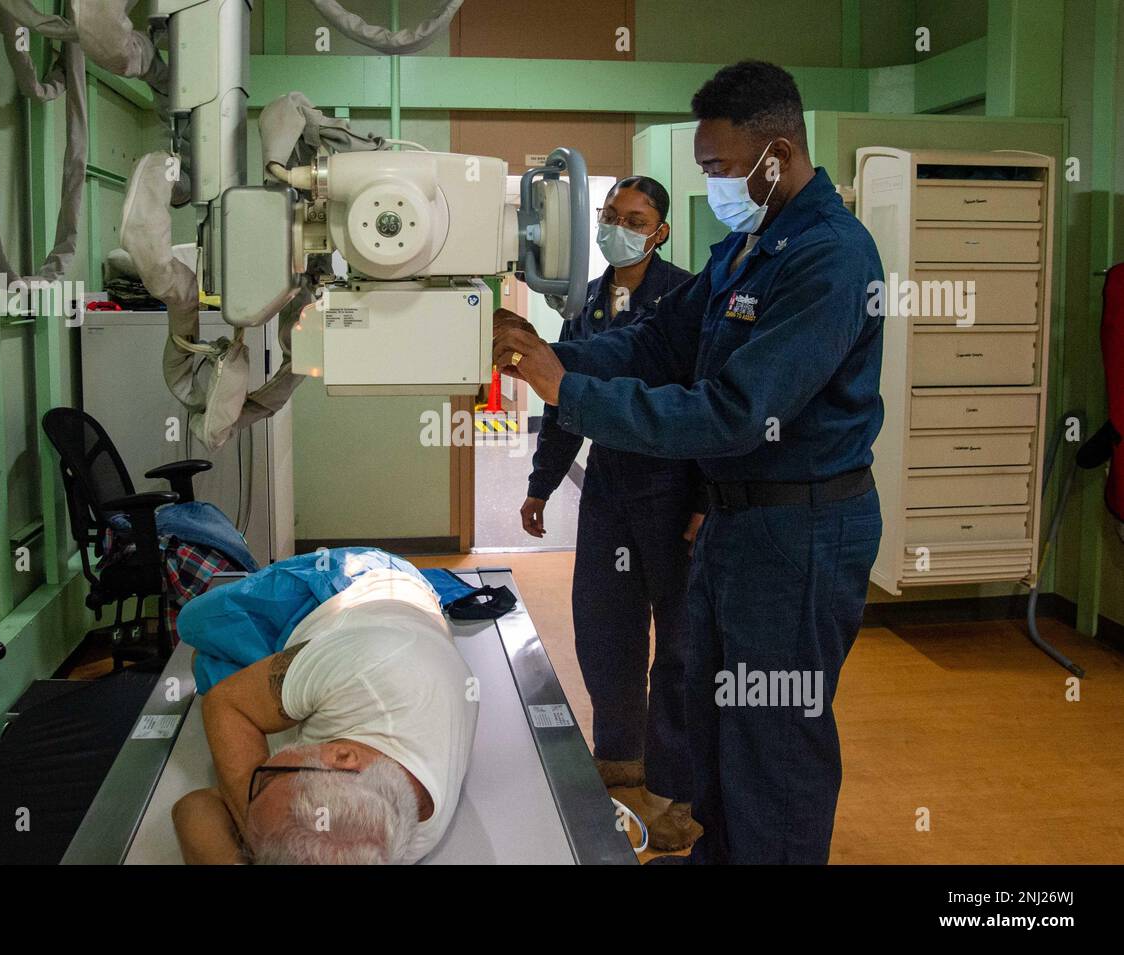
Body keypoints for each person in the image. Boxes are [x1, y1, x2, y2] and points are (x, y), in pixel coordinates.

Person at [492, 60, 885, 864]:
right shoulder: (748, 249)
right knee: (708, 729)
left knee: (772, 744)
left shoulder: (830, 259)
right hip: (738, 529)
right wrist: (548, 352)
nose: (712, 185)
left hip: (801, 530)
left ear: (775, 155)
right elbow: (657, 341)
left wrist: (568, 390)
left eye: (719, 168)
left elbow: (736, 411)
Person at [523, 175, 703, 849]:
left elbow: (712, 400)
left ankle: (675, 788)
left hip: (673, 487)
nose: (617, 225)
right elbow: (564, 394)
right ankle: (619, 756)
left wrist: (707, 497)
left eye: (634, 217)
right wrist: (542, 483)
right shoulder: (591, 300)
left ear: (659, 231)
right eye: (609, 214)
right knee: (604, 627)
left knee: (679, 650)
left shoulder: (685, 297)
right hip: (609, 484)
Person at [169, 548, 478, 864]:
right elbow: (225, 703)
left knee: (208, 665)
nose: (254, 783)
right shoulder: (367, 666)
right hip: (362, 585)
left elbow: (194, 808)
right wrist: (252, 832)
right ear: (342, 757)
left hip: (340, 654)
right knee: (193, 621)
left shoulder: (375, 844)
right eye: (266, 778)